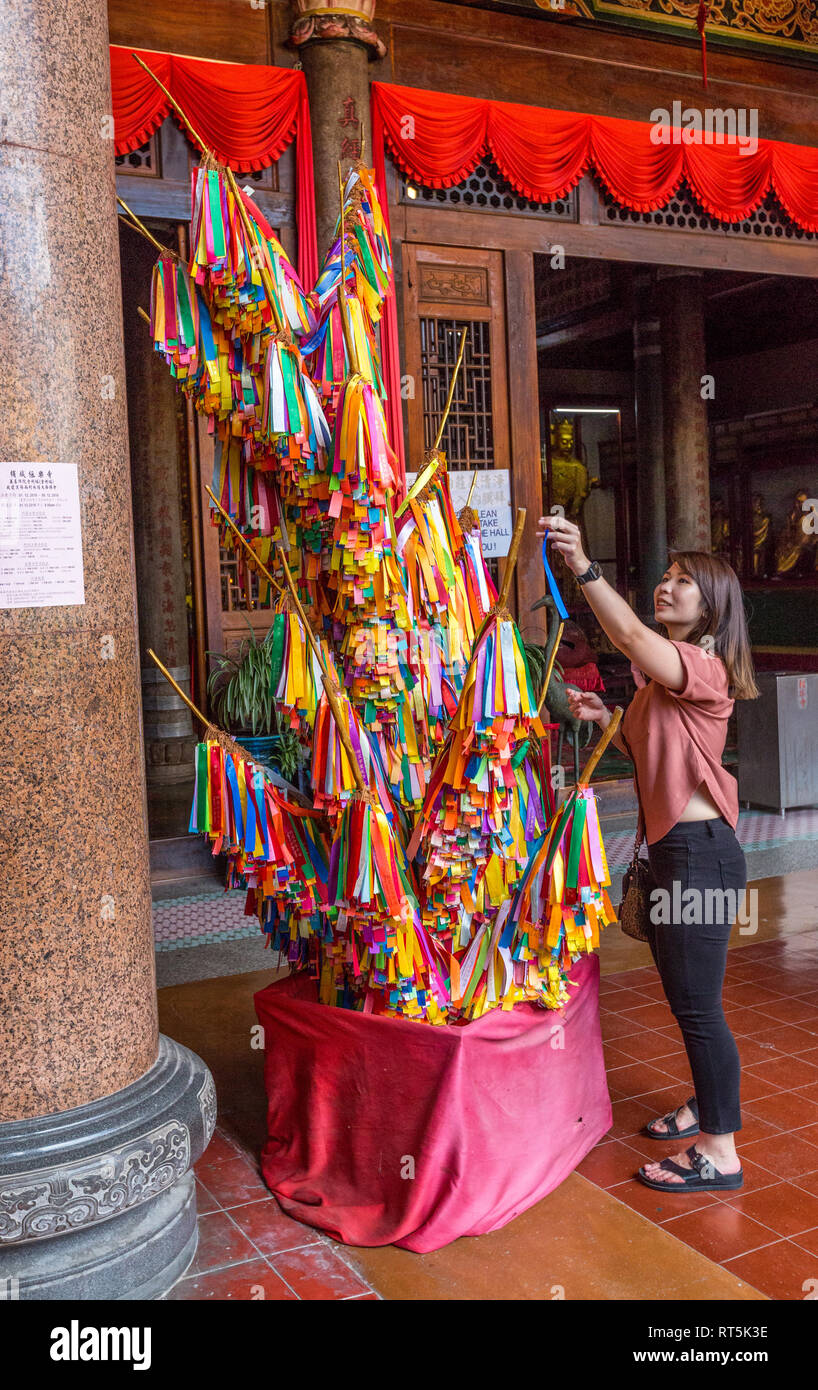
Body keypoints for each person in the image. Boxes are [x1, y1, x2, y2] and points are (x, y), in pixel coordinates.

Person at [536, 511, 759, 1194]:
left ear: (712, 605)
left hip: (702, 855)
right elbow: (650, 747)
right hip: (671, 855)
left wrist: (582, 564)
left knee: (699, 1006)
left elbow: (628, 631)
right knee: (685, 995)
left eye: (683, 582)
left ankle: (721, 1150)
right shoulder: (660, 683)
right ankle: (703, 1103)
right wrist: (609, 720)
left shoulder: (703, 666)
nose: (667, 588)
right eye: (665, 578)